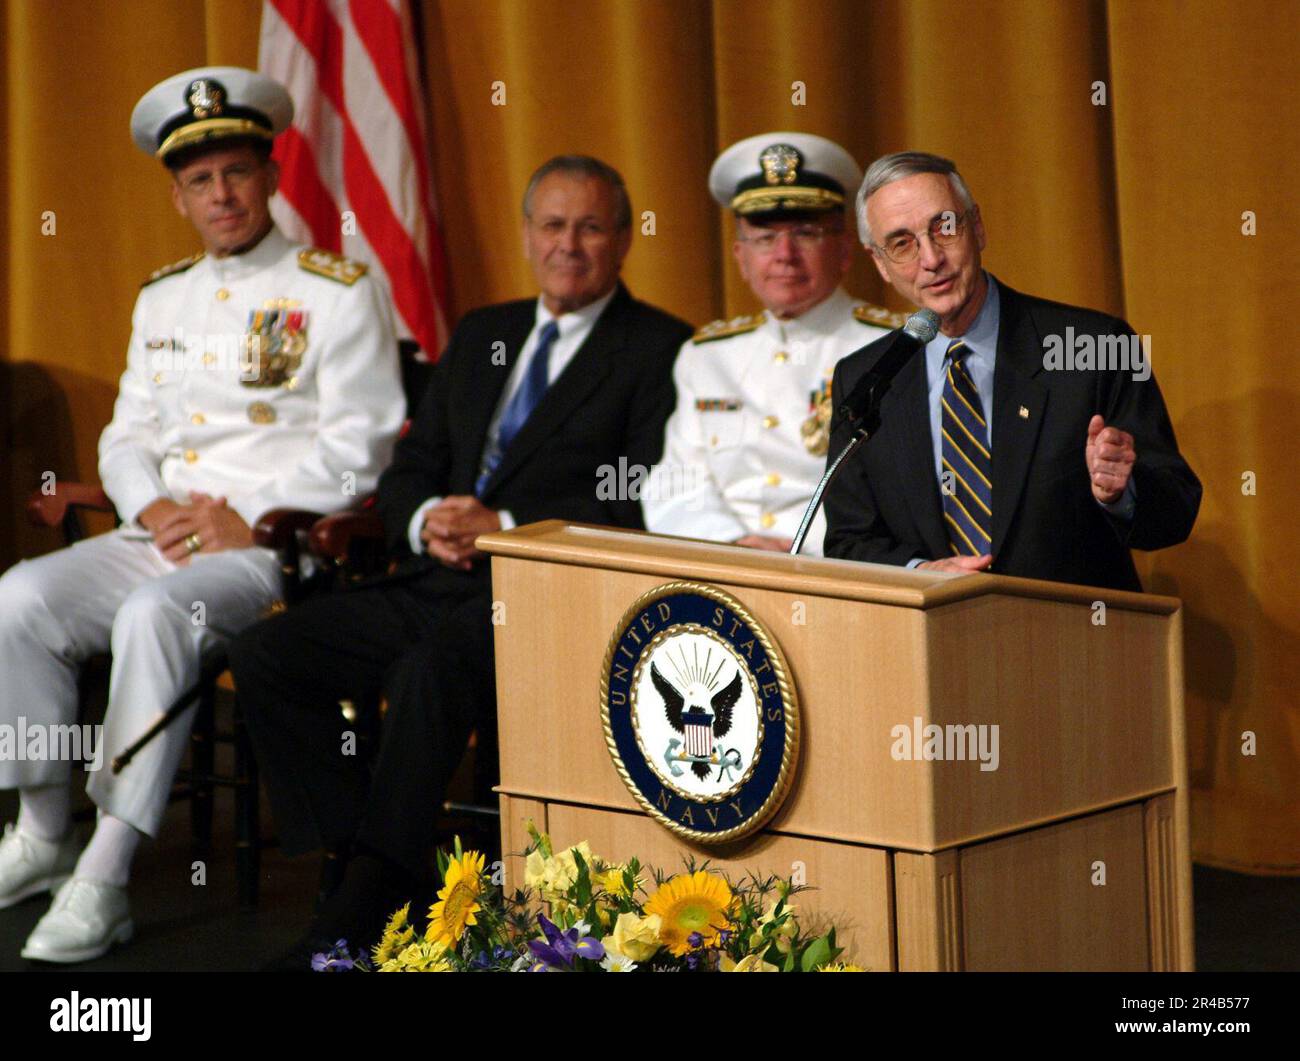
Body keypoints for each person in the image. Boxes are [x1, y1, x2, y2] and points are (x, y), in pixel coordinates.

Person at [226, 155, 692, 964]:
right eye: (552, 225)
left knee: (429, 672)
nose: (568, 244)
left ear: (622, 240)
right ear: (526, 235)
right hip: (428, 574)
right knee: (266, 651)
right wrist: (424, 520)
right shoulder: (485, 332)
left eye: (589, 227)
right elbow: (410, 467)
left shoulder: (661, 349)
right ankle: (368, 853)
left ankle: (363, 898)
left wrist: (505, 523)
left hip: (543, 591)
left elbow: (648, 501)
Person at [0, 66, 405, 962]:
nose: (221, 194)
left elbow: (361, 444)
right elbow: (126, 434)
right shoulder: (163, 296)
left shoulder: (338, 289)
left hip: (274, 550)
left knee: (156, 614)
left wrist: (252, 516)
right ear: (178, 196)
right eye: (199, 180)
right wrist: (151, 502)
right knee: (16, 597)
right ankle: (40, 831)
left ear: (269, 175)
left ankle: (104, 874)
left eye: (236, 173)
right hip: (161, 529)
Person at [822, 151, 1200, 590]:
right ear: (880, 264)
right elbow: (849, 543)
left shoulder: (1094, 346)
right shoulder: (867, 380)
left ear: (977, 226)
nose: (930, 258)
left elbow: (1176, 511)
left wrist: (1122, 492)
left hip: (1080, 641)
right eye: (902, 243)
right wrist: (921, 575)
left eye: (944, 227)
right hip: (934, 646)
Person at [643, 132, 902, 555]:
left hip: (841, 570)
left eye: (805, 233)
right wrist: (735, 543)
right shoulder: (705, 356)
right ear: (740, 257)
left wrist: (799, 550)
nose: (784, 254)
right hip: (726, 563)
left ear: (843, 250)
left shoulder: (890, 348)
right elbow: (677, 479)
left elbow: (900, 488)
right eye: (764, 238)